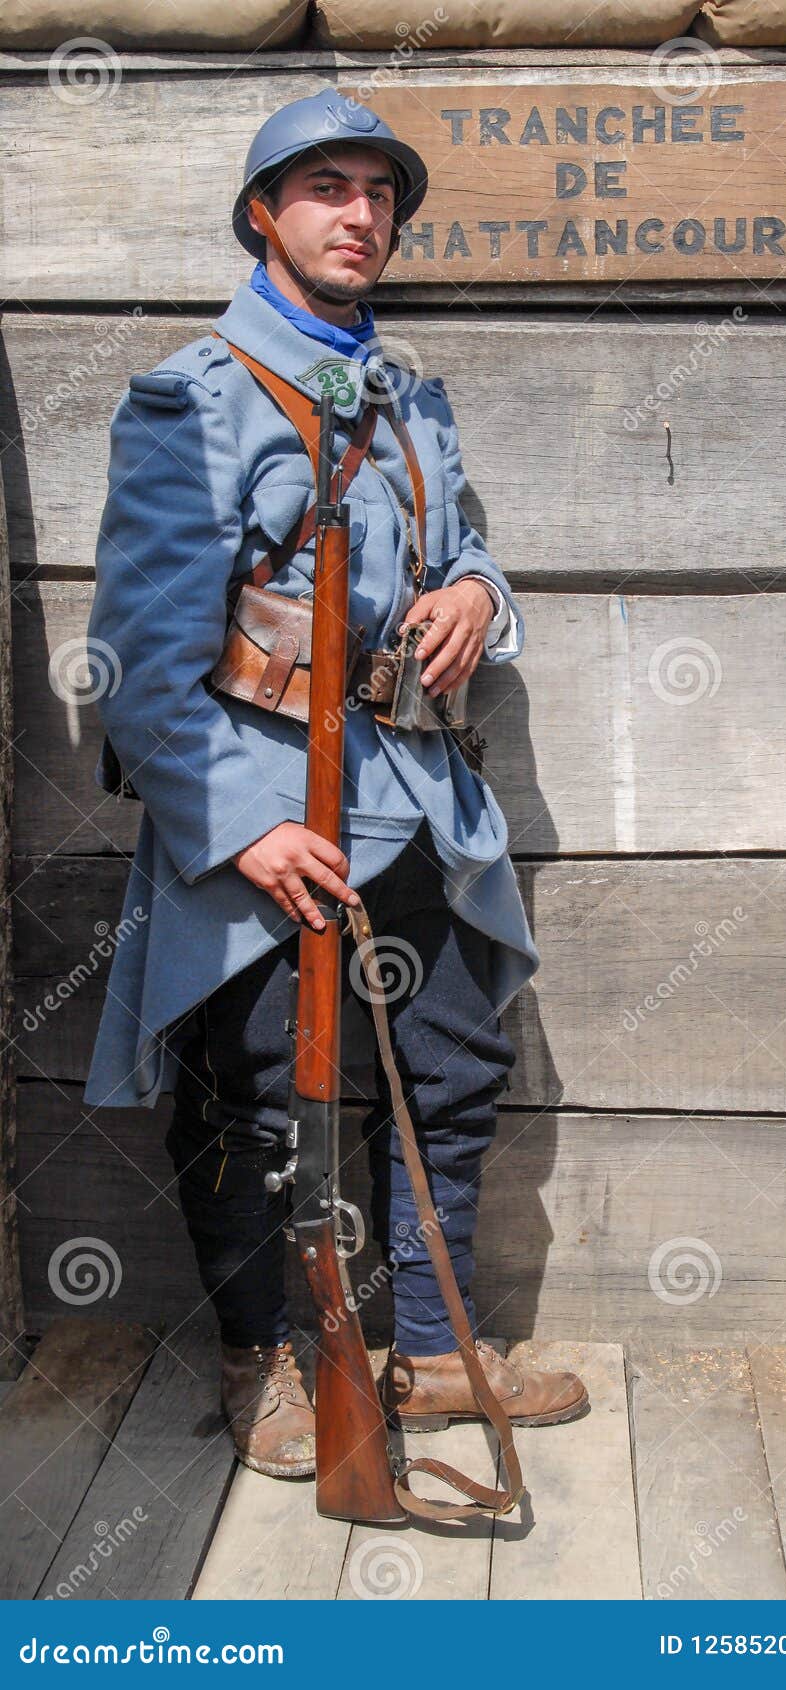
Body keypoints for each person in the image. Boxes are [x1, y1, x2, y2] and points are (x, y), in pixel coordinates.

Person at [82, 88, 588, 1477]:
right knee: (255, 1094)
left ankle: (426, 1349)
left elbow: (464, 541)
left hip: (414, 797)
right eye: (326, 189)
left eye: (378, 192)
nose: (359, 215)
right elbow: (131, 657)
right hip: (267, 809)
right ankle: (267, 1360)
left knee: (454, 1072)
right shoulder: (194, 399)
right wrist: (239, 830)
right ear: (263, 215)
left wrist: (480, 593)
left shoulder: (410, 396)